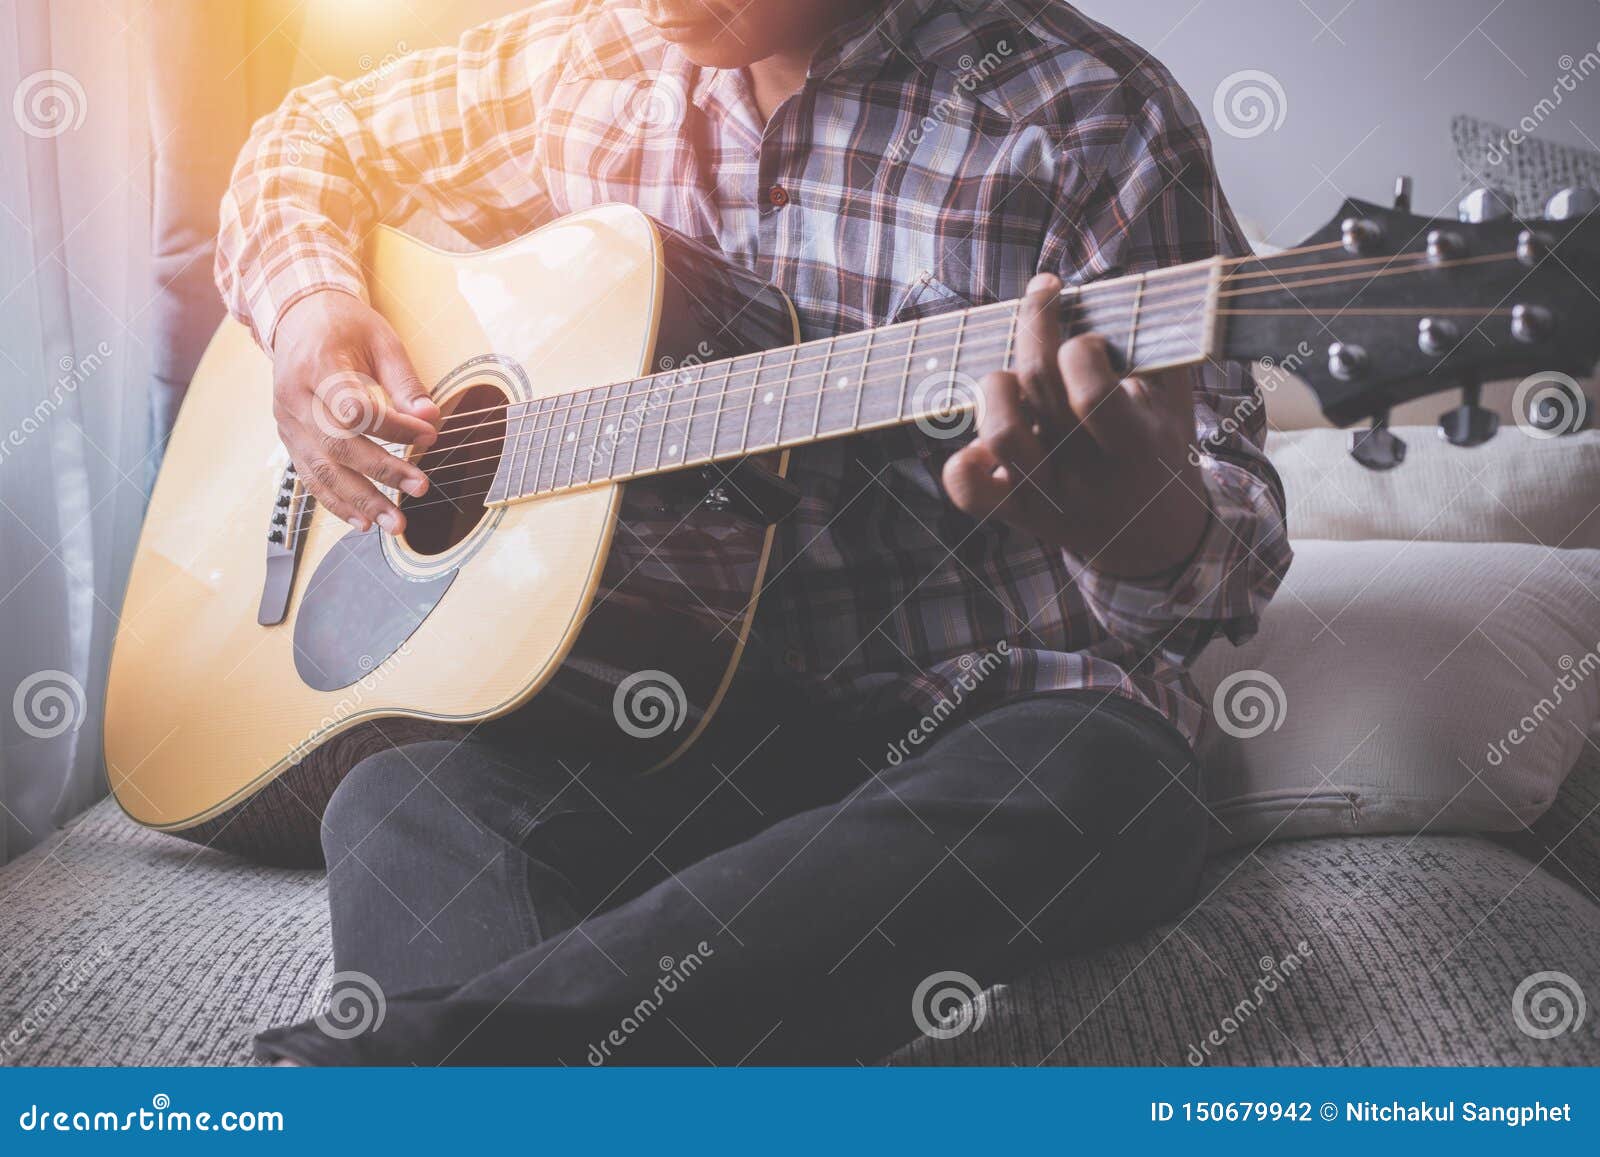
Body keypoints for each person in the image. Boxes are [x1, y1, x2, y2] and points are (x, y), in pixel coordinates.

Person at [216, 0, 1290, 1065]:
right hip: (665, 734)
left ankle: (415, 1076)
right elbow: (305, 141)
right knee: (405, 799)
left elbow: (1226, 515)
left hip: (982, 722)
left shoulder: (1088, 115)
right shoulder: (579, 56)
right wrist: (310, 312)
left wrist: (1141, 527)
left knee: (1109, 783)